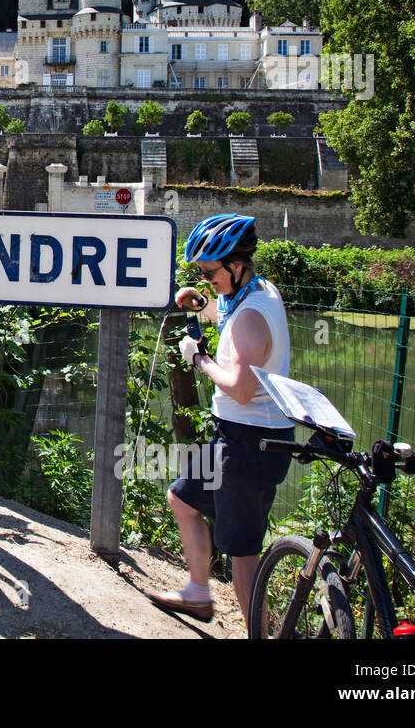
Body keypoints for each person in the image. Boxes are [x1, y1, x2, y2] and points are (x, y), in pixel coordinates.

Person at [148, 213, 293, 628]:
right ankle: (197, 592)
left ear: (236, 264)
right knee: (184, 498)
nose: (207, 277)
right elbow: (228, 319)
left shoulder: (251, 316)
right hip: (236, 437)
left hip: (250, 444)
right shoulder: (255, 293)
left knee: (243, 555)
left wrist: (198, 358)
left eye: (211, 272)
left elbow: (241, 388)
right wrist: (203, 304)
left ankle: (256, 634)